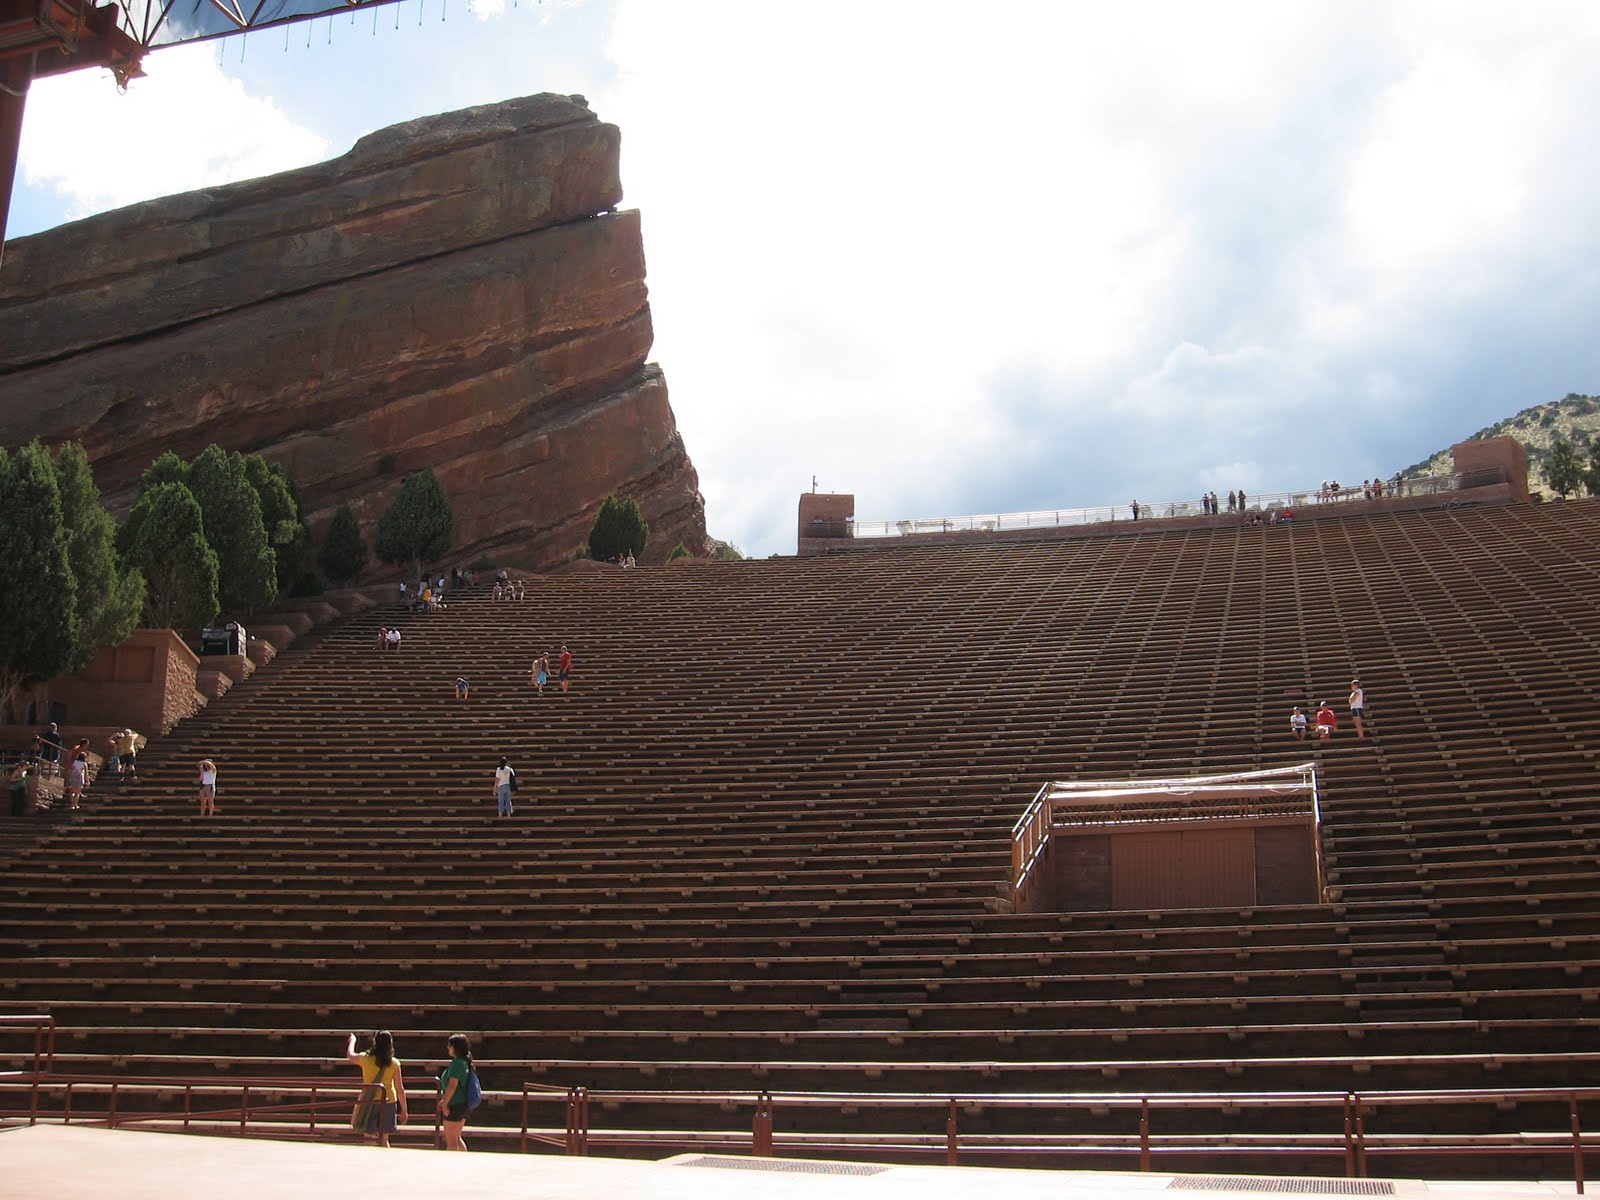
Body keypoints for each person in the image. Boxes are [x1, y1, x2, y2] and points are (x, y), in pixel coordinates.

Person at [346, 1031, 408, 1148]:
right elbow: (400, 1088)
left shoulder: (366, 1058)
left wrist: (353, 1041)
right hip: (388, 1101)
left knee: (369, 1137)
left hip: (370, 1101)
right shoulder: (394, 1063)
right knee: (384, 1139)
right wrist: (404, 1109)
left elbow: (350, 1055)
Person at [436, 1033, 475, 1151]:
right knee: (456, 1138)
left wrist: (445, 1104)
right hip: (462, 1104)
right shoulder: (464, 1063)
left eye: (450, 1045)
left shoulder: (457, 1064)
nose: (448, 1048)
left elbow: (452, 1086)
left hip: (455, 1105)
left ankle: (452, 1167)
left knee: (451, 1142)